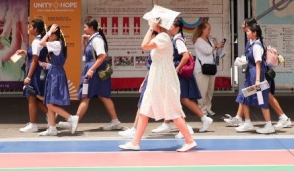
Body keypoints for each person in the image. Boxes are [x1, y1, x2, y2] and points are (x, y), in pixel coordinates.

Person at [118, 17, 196, 152]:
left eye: (152, 21)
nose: (149, 23)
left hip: (164, 78)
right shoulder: (161, 36)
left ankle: (189, 141)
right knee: (145, 108)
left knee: (172, 110)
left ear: (157, 24)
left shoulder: (163, 37)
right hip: (156, 77)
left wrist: (150, 28)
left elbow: (144, 45)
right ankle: (135, 142)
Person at [75, 19, 121, 130]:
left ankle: (74, 120)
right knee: (102, 95)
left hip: (95, 72)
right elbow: (86, 55)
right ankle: (115, 120)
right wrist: (83, 42)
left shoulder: (97, 40)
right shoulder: (92, 40)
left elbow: (102, 56)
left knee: (86, 96)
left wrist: (91, 70)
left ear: (91, 28)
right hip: (94, 70)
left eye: (85, 27)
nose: (84, 29)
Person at [37, 23, 79, 136]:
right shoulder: (58, 44)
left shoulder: (56, 43)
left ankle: (71, 118)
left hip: (55, 76)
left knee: (50, 104)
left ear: (55, 35)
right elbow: (57, 64)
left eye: (51, 34)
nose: (49, 37)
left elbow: (41, 43)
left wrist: (48, 31)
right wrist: (48, 65)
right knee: (49, 102)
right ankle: (52, 128)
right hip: (54, 72)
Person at [234, 20, 274, 134]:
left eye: (248, 31)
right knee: (243, 96)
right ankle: (247, 122)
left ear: (254, 33)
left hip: (256, 76)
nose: (246, 32)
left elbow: (258, 64)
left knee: (262, 99)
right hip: (250, 75)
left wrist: (257, 80)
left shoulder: (257, 46)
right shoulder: (252, 44)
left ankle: (269, 125)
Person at [16, 19, 47, 133]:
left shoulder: (36, 42)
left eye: (30, 27)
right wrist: (25, 52)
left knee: (31, 95)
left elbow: (35, 60)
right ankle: (50, 114)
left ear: (36, 29)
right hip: (38, 71)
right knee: (32, 96)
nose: (29, 29)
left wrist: (28, 77)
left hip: (35, 72)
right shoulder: (39, 40)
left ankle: (33, 124)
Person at [193, 21, 224, 118]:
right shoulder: (198, 40)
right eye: (208, 29)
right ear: (203, 30)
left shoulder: (209, 40)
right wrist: (215, 46)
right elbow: (207, 51)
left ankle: (208, 108)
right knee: (202, 90)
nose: (210, 31)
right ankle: (202, 110)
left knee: (209, 90)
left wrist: (219, 47)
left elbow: (215, 54)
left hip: (211, 68)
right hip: (201, 70)